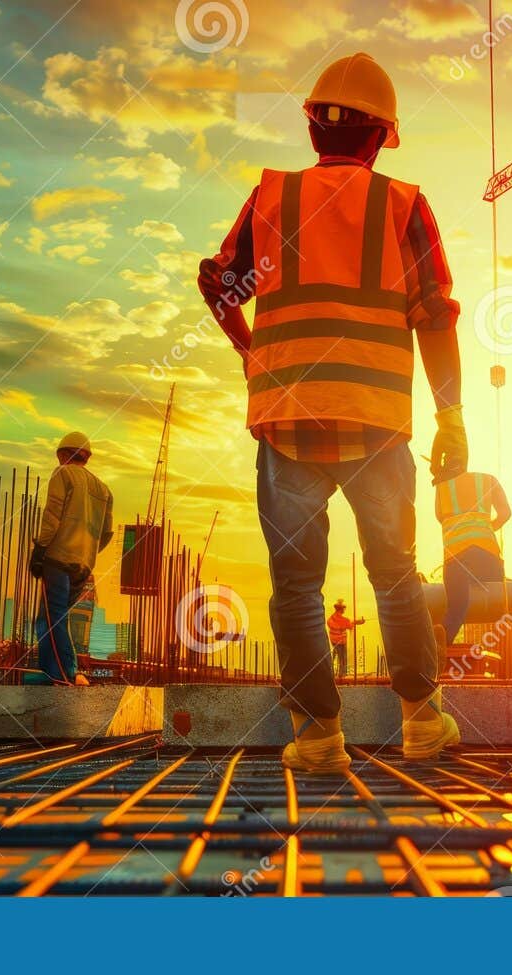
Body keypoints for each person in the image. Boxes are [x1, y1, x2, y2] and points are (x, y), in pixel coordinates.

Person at [199, 52, 465, 774]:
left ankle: (317, 737)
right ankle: (420, 722)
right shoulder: (403, 204)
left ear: (313, 126)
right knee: (396, 573)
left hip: (288, 419)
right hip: (376, 419)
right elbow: (435, 316)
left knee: (295, 585)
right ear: (380, 137)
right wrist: (452, 417)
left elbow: (219, 281)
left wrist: (253, 349)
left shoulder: (272, 197)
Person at [30, 431, 114, 685]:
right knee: (55, 617)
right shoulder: (104, 489)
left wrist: (40, 550)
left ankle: (60, 673)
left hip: (58, 560)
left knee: (51, 619)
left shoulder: (63, 474)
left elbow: (52, 514)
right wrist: (86, 552)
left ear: (65, 454)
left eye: (59, 457)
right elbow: (107, 534)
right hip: (83, 566)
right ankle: (60, 671)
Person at [435, 470, 510, 643]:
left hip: (456, 557)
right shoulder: (488, 479)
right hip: (487, 556)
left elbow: (440, 517)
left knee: (456, 608)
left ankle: (437, 648)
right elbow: (506, 513)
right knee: (493, 584)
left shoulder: (442, 486)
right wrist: (487, 527)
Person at [326, 600, 366, 678]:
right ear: (341, 609)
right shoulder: (344, 620)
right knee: (343, 658)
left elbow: (346, 624)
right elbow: (349, 625)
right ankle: (342, 675)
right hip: (341, 641)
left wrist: (355, 622)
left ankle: (334, 673)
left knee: (336, 657)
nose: (344, 610)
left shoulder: (332, 617)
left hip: (333, 640)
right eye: (344, 608)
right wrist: (358, 622)